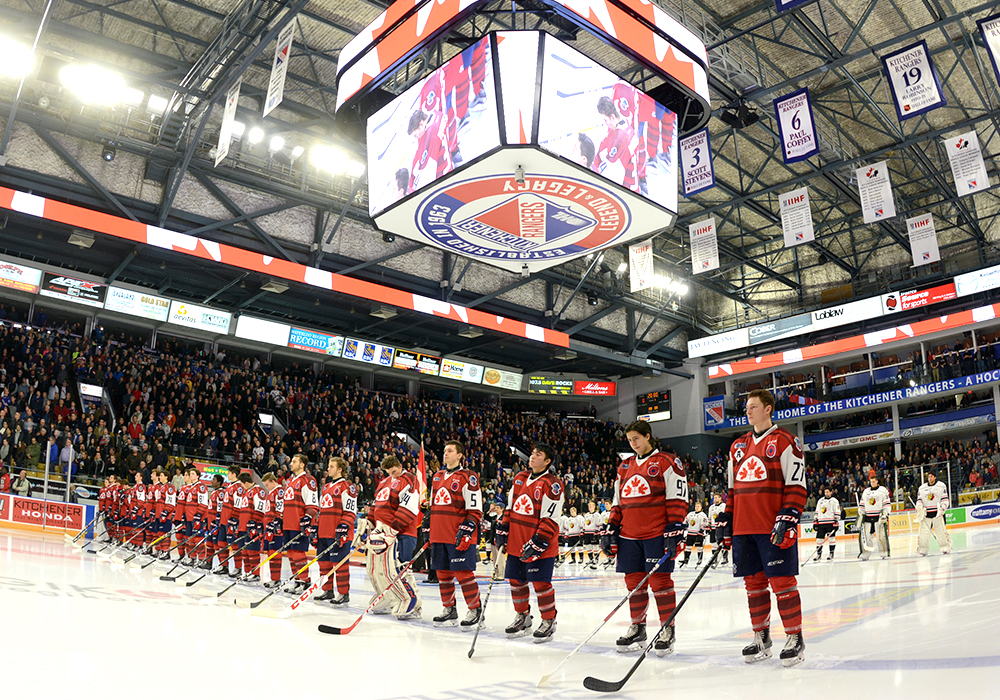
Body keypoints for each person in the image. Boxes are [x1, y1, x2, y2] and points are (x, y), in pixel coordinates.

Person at [719, 388, 807, 667]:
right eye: (746, 407)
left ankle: (795, 637)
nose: (748, 411)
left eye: (753, 406)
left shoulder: (786, 441)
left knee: (782, 582)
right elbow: (732, 491)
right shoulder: (737, 446)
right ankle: (761, 637)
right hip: (744, 528)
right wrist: (726, 519)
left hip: (773, 527)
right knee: (753, 585)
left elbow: (796, 485)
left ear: (768, 408)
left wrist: (789, 515)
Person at [601, 419, 687, 655]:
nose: (633, 444)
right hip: (629, 535)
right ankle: (638, 628)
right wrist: (611, 527)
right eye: (629, 440)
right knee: (634, 583)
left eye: (636, 439)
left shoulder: (668, 462)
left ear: (648, 436)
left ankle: (667, 630)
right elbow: (618, 502)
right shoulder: (625, 466)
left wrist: (675, 528)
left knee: (660, 582)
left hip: (656, 534)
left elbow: (677, 498)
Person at [496, 442, 565, 642]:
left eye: (539, 454)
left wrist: (539, 541)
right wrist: (503, 528)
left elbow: (551, 517)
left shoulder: (552, 484)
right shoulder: (519, 478)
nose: (533, 456)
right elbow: (510, 507)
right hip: (517, 542)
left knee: (541, 584)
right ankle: (522, 616)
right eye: (533, 453)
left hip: (540, 545)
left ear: (548, 461)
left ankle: (548, 620)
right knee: (516, 582)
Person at [429, 440, 483, 629]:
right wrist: (429, 526)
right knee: (443, 574)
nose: (446, 454)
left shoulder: (469, 476)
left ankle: (476, 610)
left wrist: (467, 528)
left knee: (463, 573)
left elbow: (475, 509)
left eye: (450, 451)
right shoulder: (437, 477)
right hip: (439, 534)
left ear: (460, 455)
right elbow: (433, 505)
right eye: (444, 450)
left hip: (457, 535)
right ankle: (449, 608)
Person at [367, 454, 422, 618]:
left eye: (394, 471)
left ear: (400, 465)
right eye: (389, 472)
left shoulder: (409, 479)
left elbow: (409, 507)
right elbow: (376, 504)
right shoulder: (384, 482)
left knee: (401, 567)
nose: (392, 475)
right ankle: (388, 597)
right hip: (381, 533)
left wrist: (393, 529)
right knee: (379, 569)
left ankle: (412, 601)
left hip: (403, 533)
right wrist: (368, 523)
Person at [315, 456, 357, 604]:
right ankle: (327, 591)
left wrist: (343, 527)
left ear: (340, 469)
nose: (328, 469)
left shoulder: (347, 486)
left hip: (338, 534)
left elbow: (351, 511)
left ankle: (343, 594)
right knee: (324, 564)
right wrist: (316, 528)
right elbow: (322, 511)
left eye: (331, 466)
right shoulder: (326, 487)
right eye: (328, 466)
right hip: (323, 533)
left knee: (339, 565)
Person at [280, 454, 319, 594]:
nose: (291, 464)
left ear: (302, 464)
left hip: (298, 523)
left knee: (298, 553)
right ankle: (297, 580)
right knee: (290, 553)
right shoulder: (290, 480)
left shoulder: (308, 480)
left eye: (294, 462)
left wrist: (308, 518)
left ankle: (305, 581)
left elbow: (313, 503)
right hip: (288, 523)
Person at [916, 470, 951, 556]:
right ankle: (923, 549)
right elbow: (919, 500)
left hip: (937, 513)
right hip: (927, 513)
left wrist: (942, 508)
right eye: (929, 476)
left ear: (935, 477)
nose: (930, 478)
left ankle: (945, 546)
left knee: (941, 531)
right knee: (924, 532)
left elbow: (945, 499)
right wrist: (919, 507)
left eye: (931, 476)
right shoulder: (922, 488)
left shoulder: (941, 486)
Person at [857, 470, 891, 560]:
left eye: (874, 481)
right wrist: (860, 514)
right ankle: (865, 553)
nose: (872, 483)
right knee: (866, 537)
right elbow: (862, 505)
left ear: (877, 481)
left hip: (878, 517)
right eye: (871, 481)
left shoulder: (883, 490)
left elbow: (887, 503)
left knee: (881, 536)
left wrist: (885, 513)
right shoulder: (866, 492)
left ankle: (884, 553)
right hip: (868, 517)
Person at [261, 472, 285, 588]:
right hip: (268, 526)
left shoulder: (279, 491)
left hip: (275, 527)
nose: (266, 487)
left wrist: (275, 523)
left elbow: (280, 509)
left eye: (267, 484)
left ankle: (276, 579)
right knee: (270, 553)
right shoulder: (271, 492)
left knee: (275, 553)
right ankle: (274, 578)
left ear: (273, 481)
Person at [812, 487, 841, 561]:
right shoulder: (820, 501)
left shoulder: (834, 501)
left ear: (831, 492)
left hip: (830, 523)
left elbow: (837, 511)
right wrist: (815, 520)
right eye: (825, 492)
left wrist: (836, 521)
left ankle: (831, 553)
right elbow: (817, 511)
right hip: (821, 523)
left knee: (831, 539)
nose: (826, 493)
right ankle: (819, 554)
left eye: (828, 492)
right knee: (819, 540)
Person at [679, 501, 710, 568]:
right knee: (688, 547)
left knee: (699, 547)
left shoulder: (703, 515)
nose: (697, 507)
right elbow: (685, 522)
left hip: (698, 534)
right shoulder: (690, 514)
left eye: (698, 506)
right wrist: (683, 526)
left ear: (701, 507)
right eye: (696, 506)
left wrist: (701, 530)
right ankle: (686, 560)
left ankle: (699, 560)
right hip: (690, 533)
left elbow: (704, 524)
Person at [707, 492, 729, 568]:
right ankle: (714, 559)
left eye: (716, 497)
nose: (715, 499)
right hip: (713, 527)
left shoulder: (724, 506)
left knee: (722, 543)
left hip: (721, 527)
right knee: (713, 544)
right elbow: (709, 518)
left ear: (720, 498)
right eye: (714, 498)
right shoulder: (711, 507)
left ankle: (725, 559)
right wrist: (708, 526)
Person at [582, 500, 602, 569]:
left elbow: (599, 523)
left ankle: (596, 560)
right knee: (588, 547)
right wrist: (583, 531)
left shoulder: (597, 515)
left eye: (591, 506)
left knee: (595, 547)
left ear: (594, 507)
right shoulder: (587, 515)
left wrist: (597, 531)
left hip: (594, 533)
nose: (590, 508)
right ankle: (591, 559)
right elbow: (584, 523)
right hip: (587, 533)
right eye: (589, 507)